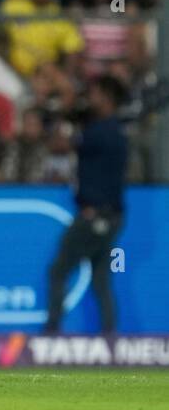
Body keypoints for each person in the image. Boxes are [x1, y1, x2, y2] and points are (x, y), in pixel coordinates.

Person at [44, 76, 128, 334]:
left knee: (58, 271)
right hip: (111, 216)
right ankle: (109, 336)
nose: (89, 99)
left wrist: (64, 112)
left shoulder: (102, 132)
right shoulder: (112, 130)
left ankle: (52, 333)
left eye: (94, 93)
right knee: (101, 280)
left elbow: (58, 145)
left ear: (106, 96)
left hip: (95, 215)